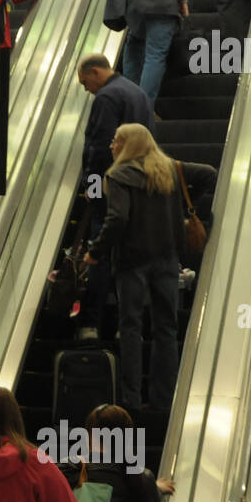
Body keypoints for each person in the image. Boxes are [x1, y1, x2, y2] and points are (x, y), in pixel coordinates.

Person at [83, 124, 216, 413]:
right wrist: (181, 204)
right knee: (166, 329)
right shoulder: (168, 169)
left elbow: (117, 218)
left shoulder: (119, 175)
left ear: (129, 145)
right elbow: (209, 173)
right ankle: (163, 399)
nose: (111, 146)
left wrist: (95, 251)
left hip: (132, 261)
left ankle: (130, 400)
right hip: (167, 258)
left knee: (130, 327)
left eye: (116, 141)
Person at [74, 54, 156, 342]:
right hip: (141, 185)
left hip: (111, 187)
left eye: (85, 83)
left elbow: (98, 147)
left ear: (95, 72)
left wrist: (92, 186)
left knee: (100, 252)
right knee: (132, 257)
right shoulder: (139, 93)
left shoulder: (106, 97)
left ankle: (90, 325)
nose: (87, 90)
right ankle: (129, 325)